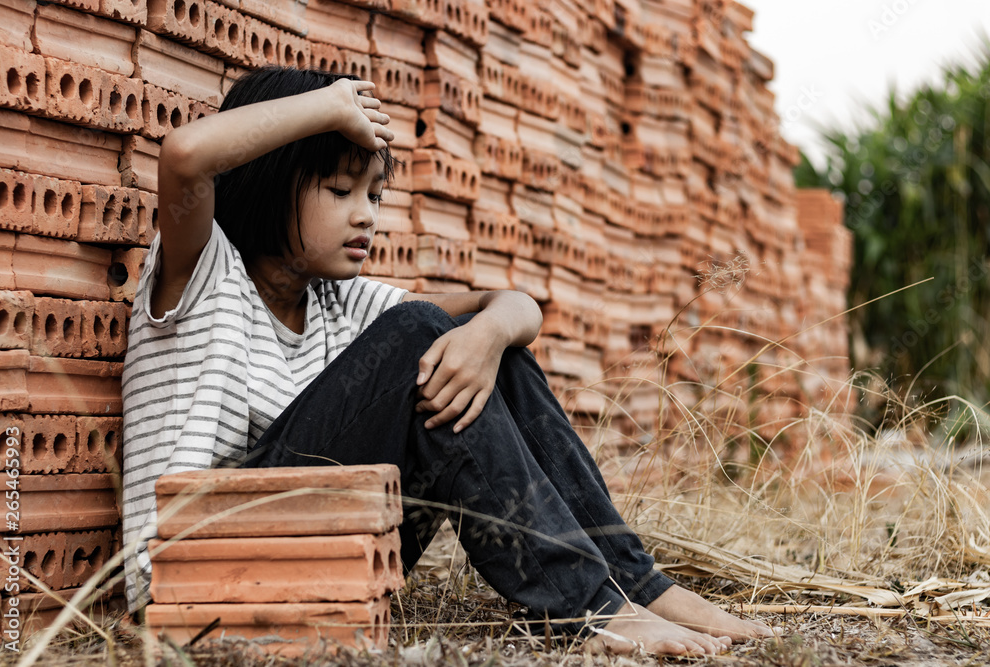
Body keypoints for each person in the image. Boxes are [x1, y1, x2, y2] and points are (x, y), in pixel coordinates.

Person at [120, 66, 772, 656]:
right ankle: (589, 606)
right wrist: (330, 105)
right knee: (427, 331)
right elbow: (183, 155)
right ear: (270, 184)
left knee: (485, 347)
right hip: (194, 572)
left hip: (315, 552)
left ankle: (636, 581)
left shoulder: (338, 302)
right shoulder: (205, 275)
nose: (365, 216)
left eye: (374, 195)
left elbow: (515, 306)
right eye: (341, 189)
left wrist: (489, 334)